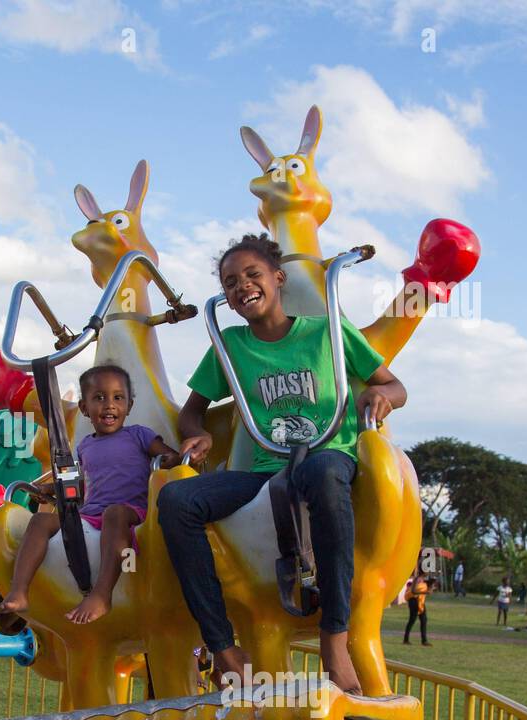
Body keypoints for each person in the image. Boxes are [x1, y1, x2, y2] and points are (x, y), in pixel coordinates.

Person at [157, 234, 407, 694]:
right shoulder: (230, 347)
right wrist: (198, 432)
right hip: (263, 467)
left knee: (321, 472)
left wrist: (379, 396)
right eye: (231, 283)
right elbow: (192, 411)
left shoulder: (326, 331)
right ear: (227, 299)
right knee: (176, 499)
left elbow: (395, 387)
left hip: (327, 453)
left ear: (278, 277)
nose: (243, 286)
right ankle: (223, 647)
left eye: (252, 275)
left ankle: (335, 639)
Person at [0, 365, 180, 625]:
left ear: (129, 405)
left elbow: (170, 456)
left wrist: (171, 460)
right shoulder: (85, 445)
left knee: (114, 512)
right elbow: (79, 487)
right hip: (89, 514)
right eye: (99, 398)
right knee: (39, 522)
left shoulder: (139, 434)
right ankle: (19, 590)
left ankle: (101, 595)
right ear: (84, 408)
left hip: (130, 512)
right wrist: (50, 490)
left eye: (118, 398)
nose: (109, 405)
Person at [402, 570, 430, 646]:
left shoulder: (423, 580)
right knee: (412, 620)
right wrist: (425, 592)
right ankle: (406, 639)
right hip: (414, 601)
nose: (429, 572)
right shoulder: (417, 579)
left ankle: (424, 641)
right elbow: (414, 591)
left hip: (420, 602)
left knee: (424, 620)